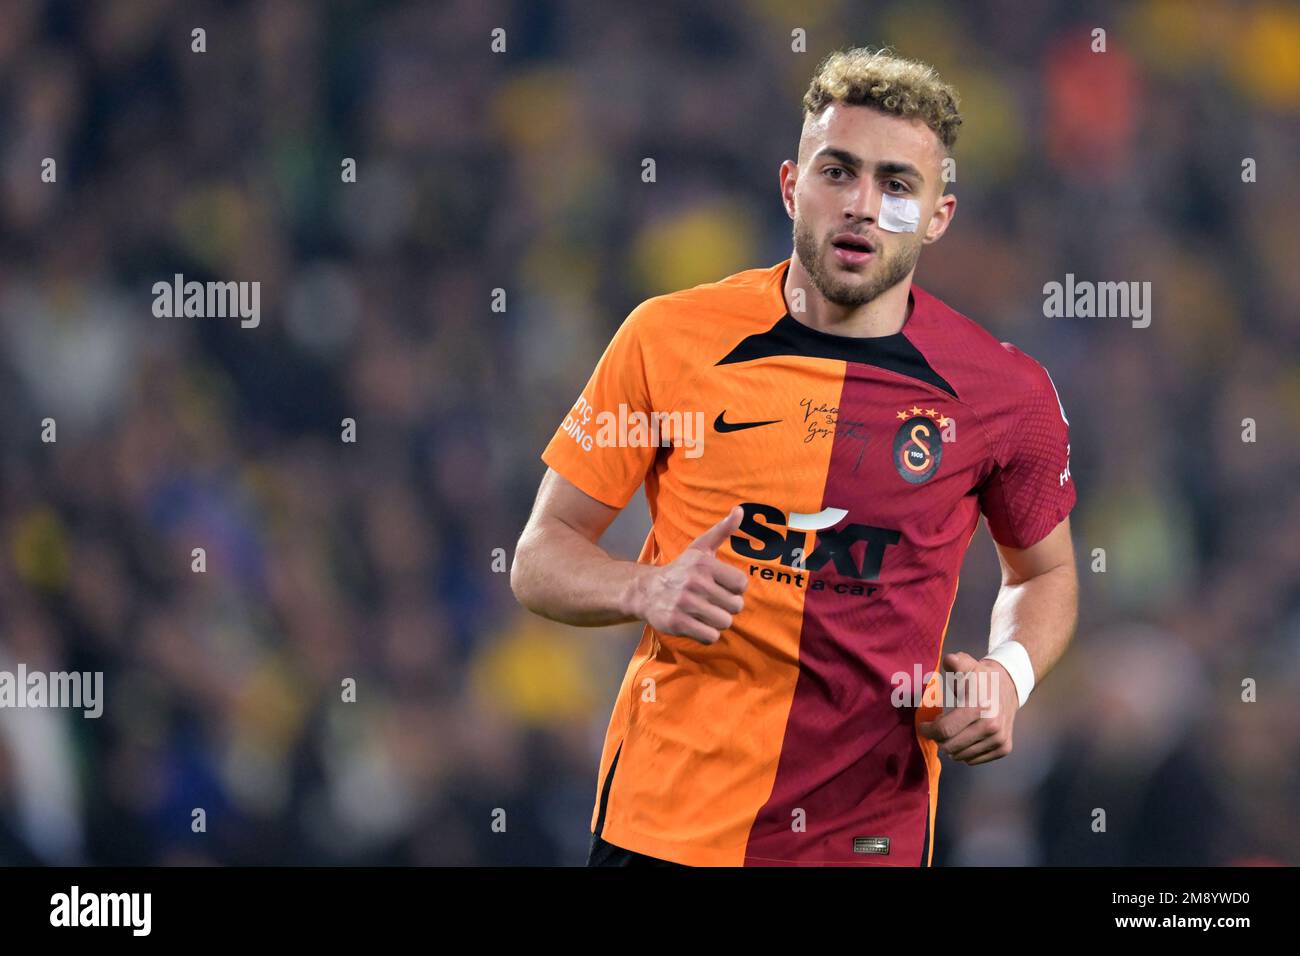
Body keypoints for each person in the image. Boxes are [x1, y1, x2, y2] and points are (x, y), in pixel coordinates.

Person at [511, 47, 1078, 867]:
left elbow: (1045, 573)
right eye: (837, 172)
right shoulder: (667, 339)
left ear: (938, 216)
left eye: (896, 185)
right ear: (790, 186)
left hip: (865, 839)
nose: (861, 205)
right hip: (662, 826)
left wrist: (1008, 675)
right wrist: (645, 586)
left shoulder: (1004, 394)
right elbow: (539, 557)